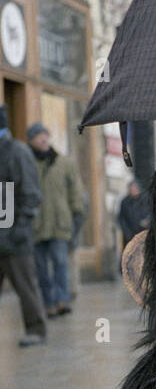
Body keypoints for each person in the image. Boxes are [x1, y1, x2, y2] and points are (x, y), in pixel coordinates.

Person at [0, 104, 47, 346]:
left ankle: (36, 330)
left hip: (15, 236)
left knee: (26, 286)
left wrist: (19, 228)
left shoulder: (17, 152)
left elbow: (30, 194)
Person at [27, 123, 84, 318]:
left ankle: (62, 301)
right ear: (31, 140)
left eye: (45, 135)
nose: (43, 139)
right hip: (36, 226)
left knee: (61, 263)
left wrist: (77, 215)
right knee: (41, 268)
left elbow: (75, 191)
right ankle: (48, 303)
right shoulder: (26, 163)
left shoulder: (63, 163)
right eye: (38, 136)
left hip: (60, 224)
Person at [117, 179, 152, 267]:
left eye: (134, 188)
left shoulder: (146, 198)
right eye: (131, 189)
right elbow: (121, 218)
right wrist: (126, 232)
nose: (133, 190)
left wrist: (147, 221)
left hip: (144, 232)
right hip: (130, 234)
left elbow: (153, 212)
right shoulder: (125, 202)